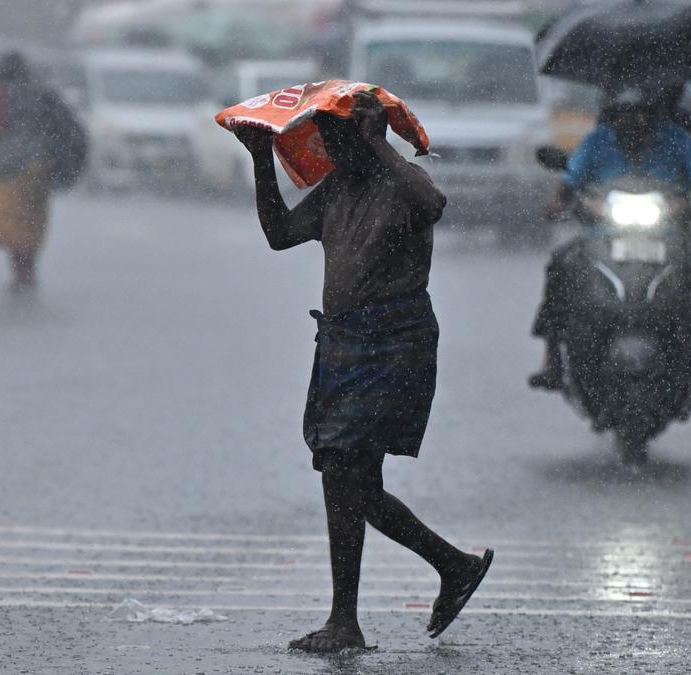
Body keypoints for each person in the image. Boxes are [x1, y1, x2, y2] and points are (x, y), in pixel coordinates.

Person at [232, 91, 493, 654]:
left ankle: (355, 614)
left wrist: (381, 145)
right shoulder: (337, 188)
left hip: (394, 342)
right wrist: (260, 158)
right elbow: (280, 234)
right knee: (348, 478)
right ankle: (443, 570)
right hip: (345, 343)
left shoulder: (400, 181)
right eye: (325, 136)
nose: (330, 146)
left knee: (346, 475)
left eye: (341, 134)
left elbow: (432, 203)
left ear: (366, 133)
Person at [530, 87, 691, 390]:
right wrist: (560, 202)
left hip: (668, 234)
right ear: (612, 117)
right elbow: (568, 184)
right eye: (624, 115)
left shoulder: (677, 141)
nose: (631, 123)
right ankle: (552, 359)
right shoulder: (596, 143)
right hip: (603, 235)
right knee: (560, 268)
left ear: (653, 117)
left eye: (639, 115)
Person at [0, 52, 82, 293]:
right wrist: (58, 161)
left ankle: (20, 270)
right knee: (30, 223)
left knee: (11, 225)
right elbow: (65, 129)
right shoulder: (44, 97)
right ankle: (26, 269)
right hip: (35, 170)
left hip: (3, 172)